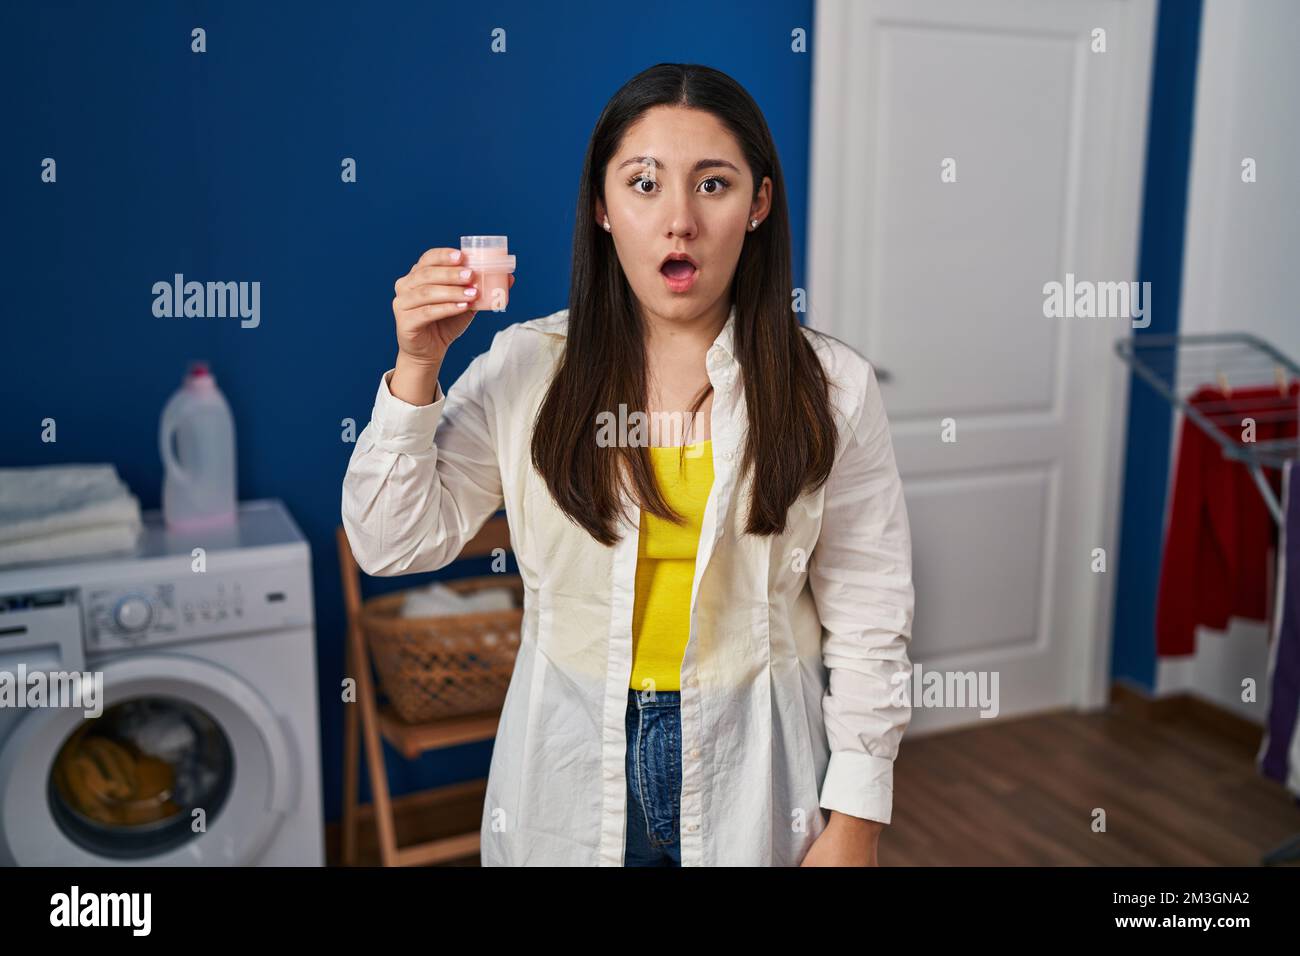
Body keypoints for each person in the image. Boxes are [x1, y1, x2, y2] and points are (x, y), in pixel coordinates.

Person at [341, 62, 914, 867]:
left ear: (758, 204)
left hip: (760, 762)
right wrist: (415, 370)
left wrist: (856, 820)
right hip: (568, 762)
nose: (678, 220)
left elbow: (870, 615)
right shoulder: (526, 368)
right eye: (644, 184)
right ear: (602, 208)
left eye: (712, 185)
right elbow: (390, 543)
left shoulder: (832, 387)